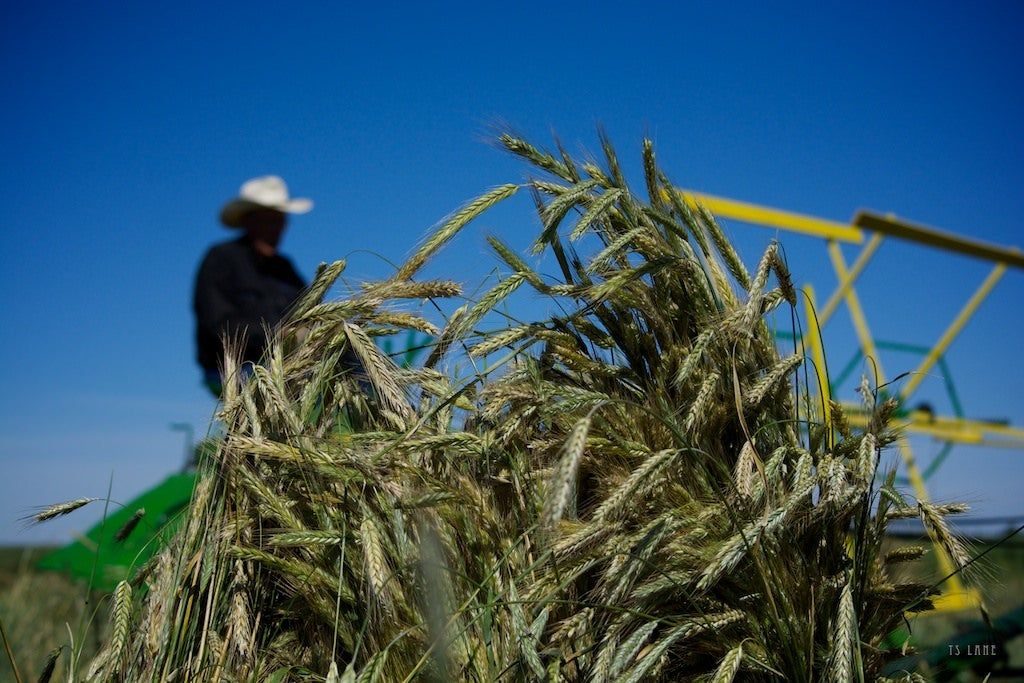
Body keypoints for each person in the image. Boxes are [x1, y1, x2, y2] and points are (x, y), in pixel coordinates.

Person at [193, 175, 312, 395]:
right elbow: (217, 324)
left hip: (286, 365)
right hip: (232, 369)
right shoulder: (222, 259)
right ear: (248, 222)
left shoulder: (286, 270)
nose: (274, 229)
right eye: (267, 221)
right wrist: (277, 335)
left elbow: (310, 310)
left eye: (279, 221)